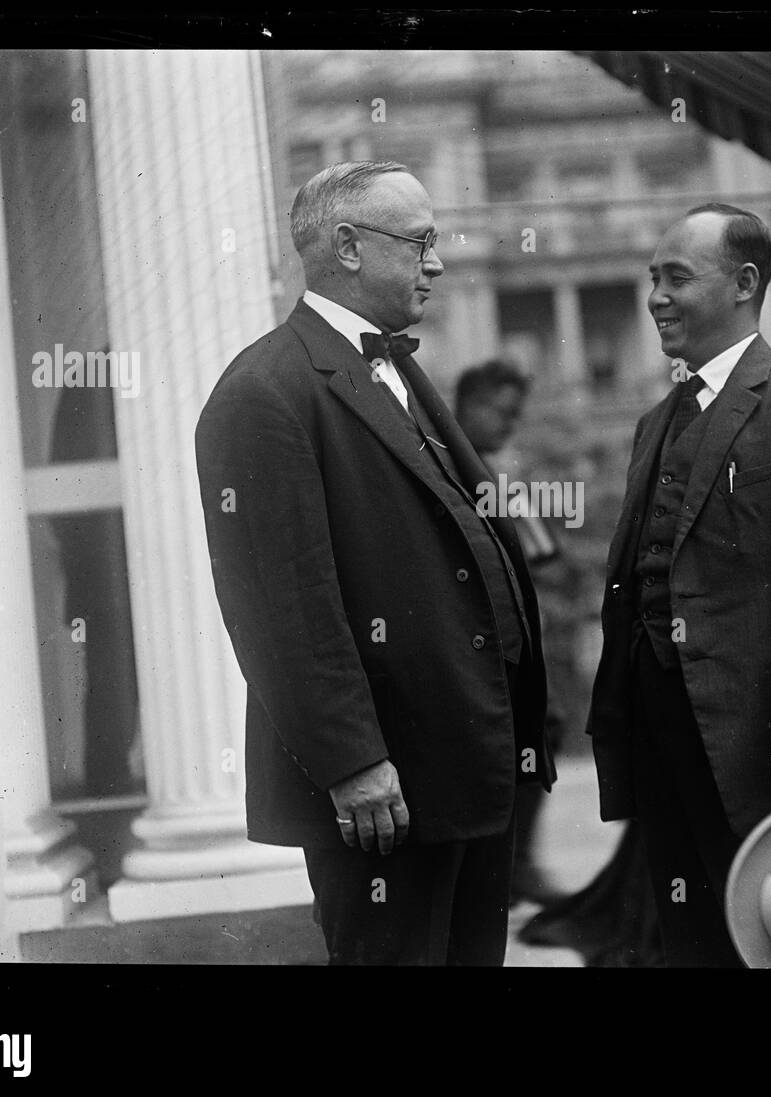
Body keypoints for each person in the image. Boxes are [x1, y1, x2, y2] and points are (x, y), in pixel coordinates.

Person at [194, 161, 553, 966]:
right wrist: (353, 762)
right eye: (420, 241)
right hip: (384, 792)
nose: (438, 261)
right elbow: (281, 608)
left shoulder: (394, 367)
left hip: (462, 771)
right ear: (348, 248)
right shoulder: (264, 392)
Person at [585, 203, 771, 967]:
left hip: (769, 748)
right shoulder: (655, 421)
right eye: (653, 278)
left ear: (746, 283)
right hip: (664, 743)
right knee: (697, 944)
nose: (656, 297)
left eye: (677, 278)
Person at [453, 359, 568, 903]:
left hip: (499, 640)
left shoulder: (495, 468)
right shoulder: (447, 459)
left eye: (514, 417)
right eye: (501, 414)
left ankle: (513, 864)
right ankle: (504, 868)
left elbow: (543, 553)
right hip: (459, 641)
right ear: (470, 405)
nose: (507, 426)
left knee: (543, 727)